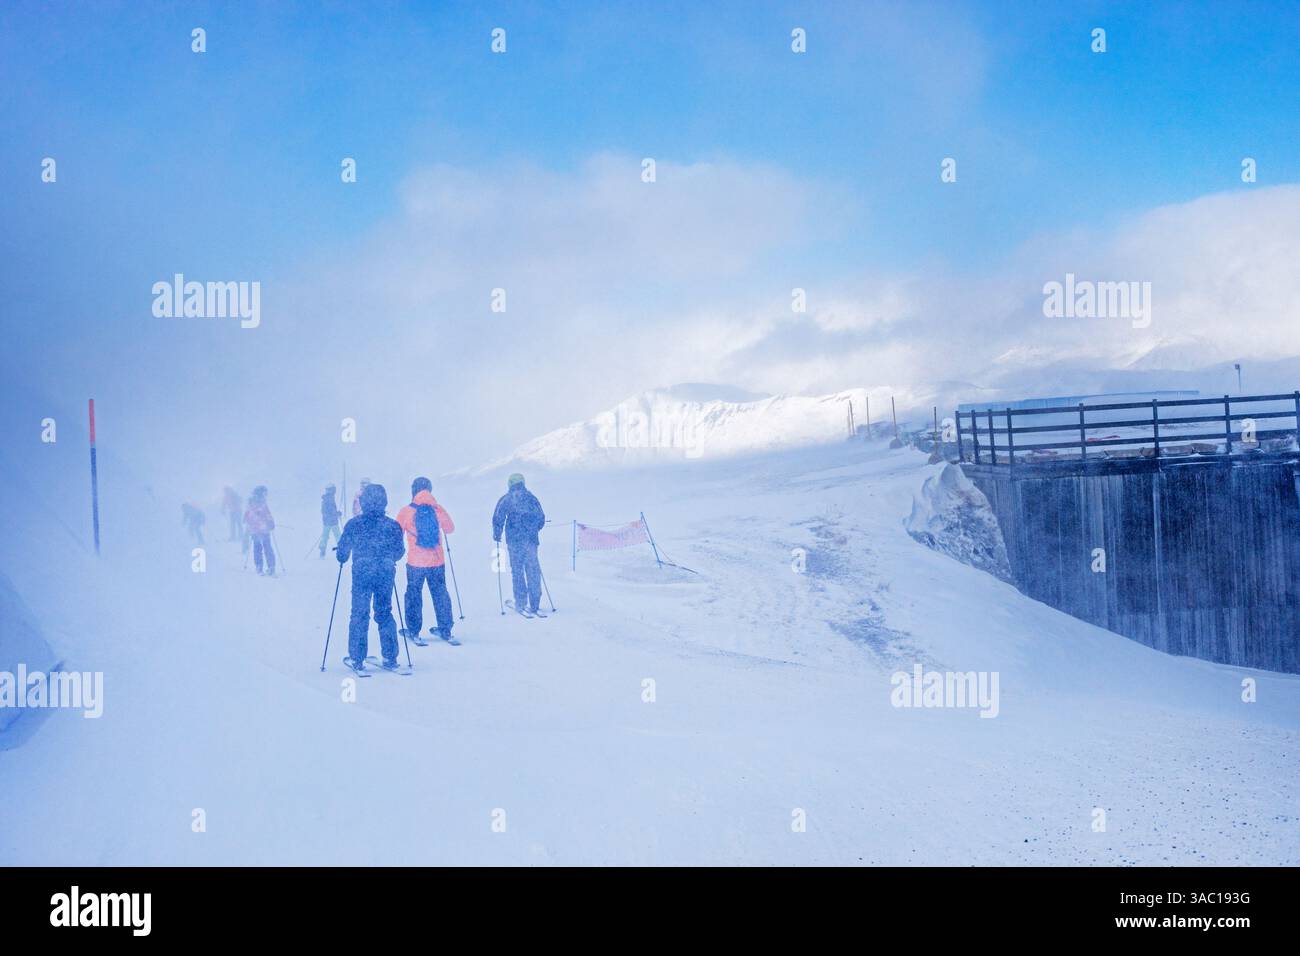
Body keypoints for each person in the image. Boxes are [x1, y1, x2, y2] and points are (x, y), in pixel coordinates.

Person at [337, 482, 405, 671]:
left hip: (362, 572)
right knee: (384, 612)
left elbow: (342, 553)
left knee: (360, 613)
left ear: (363, 502)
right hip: (385, 572)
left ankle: (357, 658)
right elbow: (399, 552)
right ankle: (390, 656)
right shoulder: (392, 525)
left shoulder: (354, 524)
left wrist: (343, 555)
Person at [395, 477, 456, 642]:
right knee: (440, 593)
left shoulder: (406, 511)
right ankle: (445, 629)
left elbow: (395, 534)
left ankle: (413, 630)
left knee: (414, 594)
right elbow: (450, 529)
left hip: (416, 563)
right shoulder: (437, 509)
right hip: (437, 562)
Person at [492, 473, 546, 615]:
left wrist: (497, 534)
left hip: (514, 541)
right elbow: (541, 518)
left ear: (510, 484)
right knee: (533, 570)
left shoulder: (506, 499)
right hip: (531, 541)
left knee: (517, 571)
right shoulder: (532, 498)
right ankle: (535, 603)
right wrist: (533, 530)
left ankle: (521, 602)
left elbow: (498, 517)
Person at [243, 485, 277, 576]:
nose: (266, 495)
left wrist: (271, 522)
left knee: (266, 548)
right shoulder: (252, 503)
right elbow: (248, 516)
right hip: (256, 530)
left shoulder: (262, 503)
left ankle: (270, 567)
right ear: (260, 493)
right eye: (264, 493)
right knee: (260, 548)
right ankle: (260, 566)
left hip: (263, 529)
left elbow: (267, 514)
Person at [318, 484, 342, 558]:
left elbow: (327, 511)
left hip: (327, 521)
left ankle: (322, 549)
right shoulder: (329, 498)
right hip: (332, 521)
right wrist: (336, 513)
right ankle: (341, 548)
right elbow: (328, 510)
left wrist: (335, 513)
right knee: (337, 535)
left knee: (325, 536)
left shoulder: (327, 498)